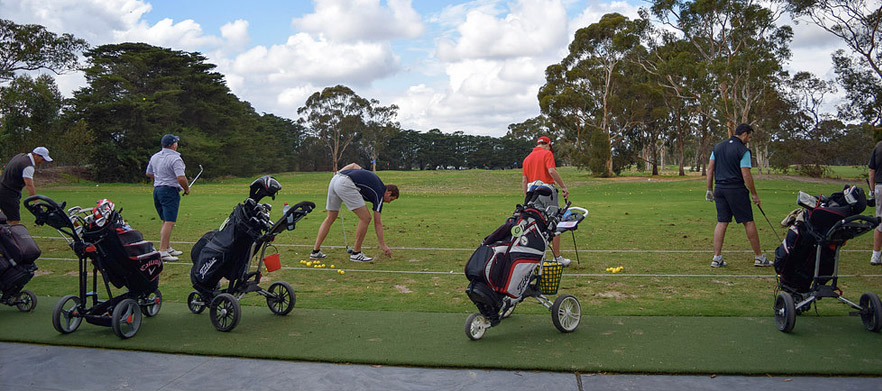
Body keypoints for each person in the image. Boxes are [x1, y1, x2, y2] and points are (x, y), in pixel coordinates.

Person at [705, 123, 770, 267]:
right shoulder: (743, 150)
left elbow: (710, 170)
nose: (749, 140)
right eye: (749, 137)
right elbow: (746, 174)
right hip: (736, 190)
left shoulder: (718, 147)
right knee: (748, 221)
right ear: (745, 134)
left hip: (719, 189)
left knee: (722, 222)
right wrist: (754, 194)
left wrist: (709, 189)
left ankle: (717, 258)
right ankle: (759, 257)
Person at [310, 163, 399, 262]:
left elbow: (353, 165)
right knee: (366, 218)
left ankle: (315, 251)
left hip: (336, 179)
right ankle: (356, 253)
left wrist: (338, 174)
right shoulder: (380, 193)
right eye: (391, 199)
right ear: (389, 193)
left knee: (331, 217)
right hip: (345, 183)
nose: (389, 202)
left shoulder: (375, 181)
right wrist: (383, 245)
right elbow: (377, 223)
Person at [522, 136, 571, 267]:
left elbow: (524, 180)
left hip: (532, 194)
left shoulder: (527, 158)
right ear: (548, 144)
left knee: (536, 224)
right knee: (554, 223)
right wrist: (563, 187)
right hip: (547, 191)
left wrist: (527, 198)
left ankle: (535, 257)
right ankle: (557, 257)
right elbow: (551, 170)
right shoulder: (547, 154)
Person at [145, 134, 190, 262]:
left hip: (157, 190)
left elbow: (149, 173)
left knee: (165, 220)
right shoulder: (175, 159)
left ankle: (167, 247)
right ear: (173, 144)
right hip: (169, 191)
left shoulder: (155, 157)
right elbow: (181, 177)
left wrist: (161, 176)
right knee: (169, 221)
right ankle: (163, 251)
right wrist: (186, 188)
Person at [0, 147, 52, 225]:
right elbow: (29, 185)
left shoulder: (20, 156)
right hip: (8, 193)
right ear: (36, 155)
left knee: (3, 218)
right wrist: (36, 203)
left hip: (3, 186)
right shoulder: (28, 166)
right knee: (14, 220)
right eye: (43, 159)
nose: (43, 162)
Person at [868, 140, 882, 265]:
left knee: (880, 221)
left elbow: (871, 172)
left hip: (879, 187)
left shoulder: (878, 146)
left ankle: (876, 255)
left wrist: (871, 192)